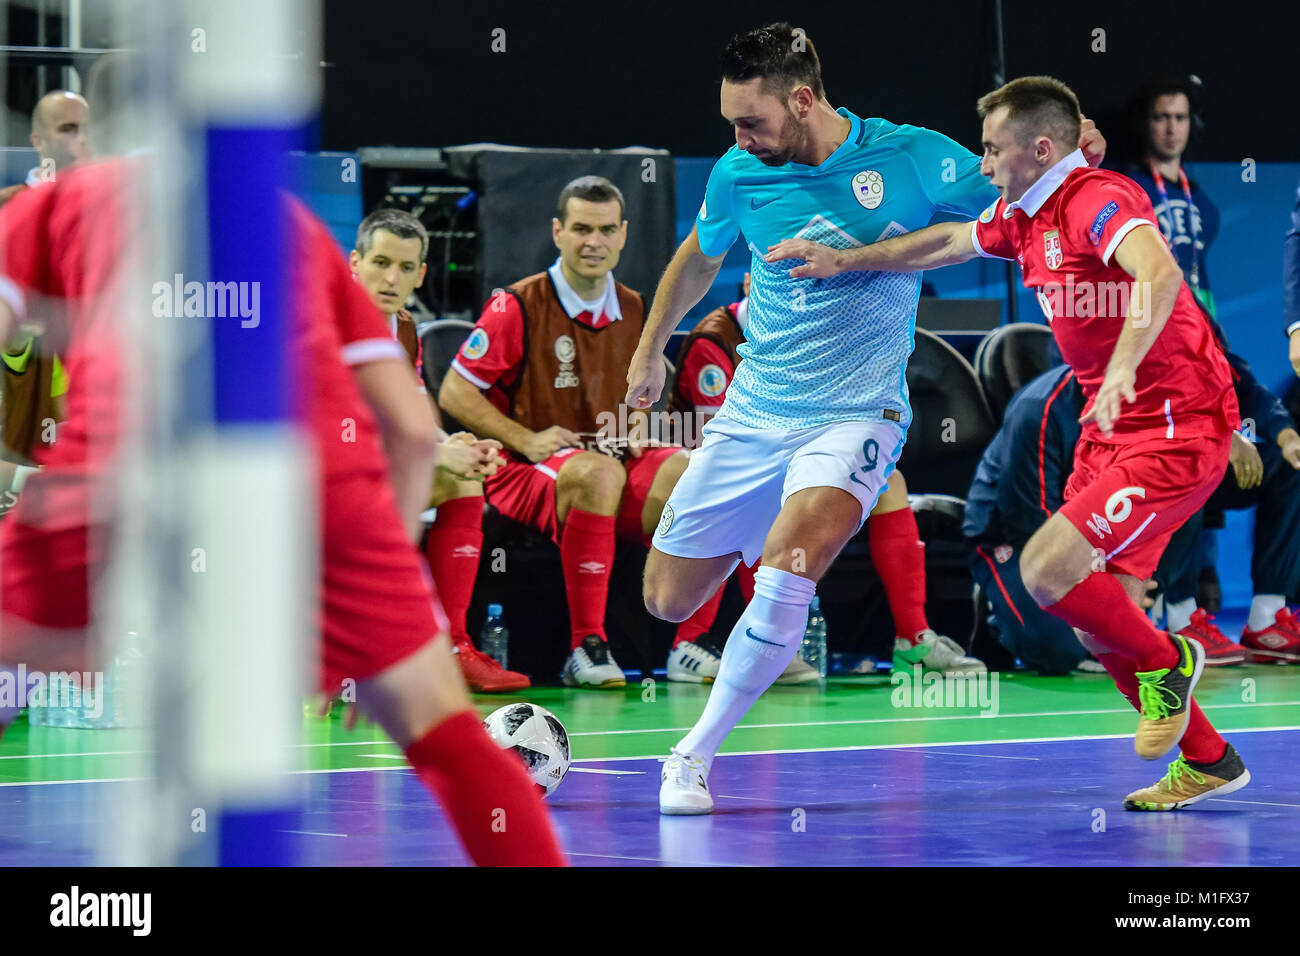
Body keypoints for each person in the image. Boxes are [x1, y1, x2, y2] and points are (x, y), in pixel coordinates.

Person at [0, 81, 565, 863]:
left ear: (96, 136)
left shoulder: (58, 204)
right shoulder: (288, 225)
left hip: (117, 477)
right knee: (450, 740)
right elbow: (407, 428)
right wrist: (386, 608)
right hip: (321, 490)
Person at [625, 26, 1104, 815]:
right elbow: (702, 255)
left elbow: (1011, 207)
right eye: (733, 124)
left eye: (752, 121)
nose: (738, 138)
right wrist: (650, 349)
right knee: (666, 601)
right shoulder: (741, 172)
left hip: (858, 412)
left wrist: (1066, 162)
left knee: (785, 576)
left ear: (803, 99)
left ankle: (691, 755)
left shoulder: (912, 157)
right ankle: (753, 532)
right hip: (756, 410)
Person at [769, 74, 1250, 812]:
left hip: (1174, 423)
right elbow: (948, 240)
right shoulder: (1025, 218)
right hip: (1112, 428)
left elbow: (1156, 269)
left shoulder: (1097, 199)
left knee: (1048, 570)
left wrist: (1123, 365)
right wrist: (847, 260)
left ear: (1042, 149)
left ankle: (1171, 658)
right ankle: (1210, 759)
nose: (983, 163)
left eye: (993, 150)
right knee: (1099, 630)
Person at [440, 175, 708, 689]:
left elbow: (641, 394)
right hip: (524, 469)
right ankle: (586, 646)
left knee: (699, 471)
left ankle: (690, 644)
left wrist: (636, 427)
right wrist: (524, 438)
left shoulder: (634, 307)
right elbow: (454, 391)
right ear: (558, 231)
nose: (594, 241)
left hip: (607, 462)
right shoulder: (515, 305)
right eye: (582, 228)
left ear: (624, 234)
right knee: (598, 474)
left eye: (606, 229)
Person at [667, 272, 983, 681]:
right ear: (753, 284)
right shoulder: (713, 339)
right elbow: (727, 438)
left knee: (890, 485)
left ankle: (914, 640)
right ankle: (710, 641)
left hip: (801, 457)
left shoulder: (820, 334)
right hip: (727, 468)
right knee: (763, 492)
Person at [349, 207, 530, 692]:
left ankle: (451, 648)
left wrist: (455, 445)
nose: (392, 278)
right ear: (354, 264)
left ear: (422, 273)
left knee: (464, 477)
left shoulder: (403, 329)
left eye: (406, 268)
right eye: (381, 262)